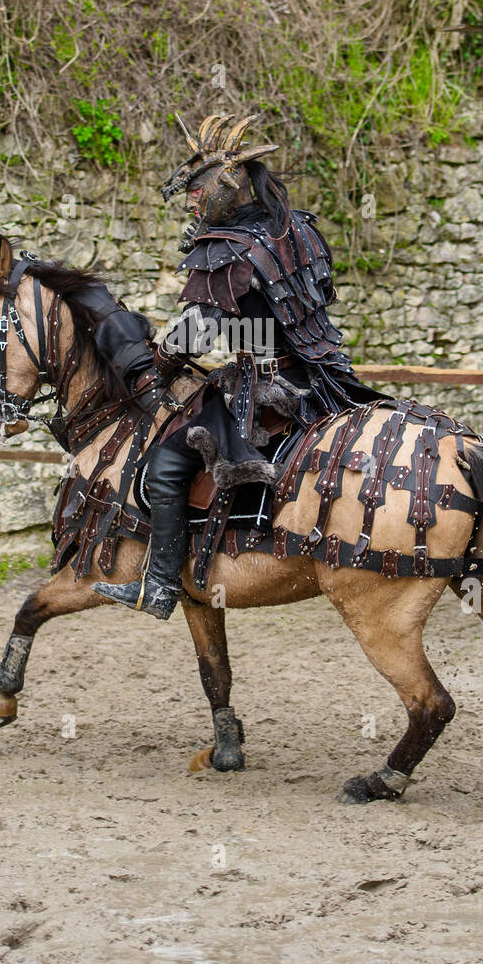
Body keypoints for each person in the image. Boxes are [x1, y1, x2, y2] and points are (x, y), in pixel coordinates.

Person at [93, 112, 383, 618]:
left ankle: (159, 586)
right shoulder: (300, 230)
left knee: (164, 464)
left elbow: (197, 333)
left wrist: (159, 360)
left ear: (227, 183)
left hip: (267, 388)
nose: (191, 202)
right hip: (323, 379)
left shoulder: (228, 248)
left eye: (197, 191)